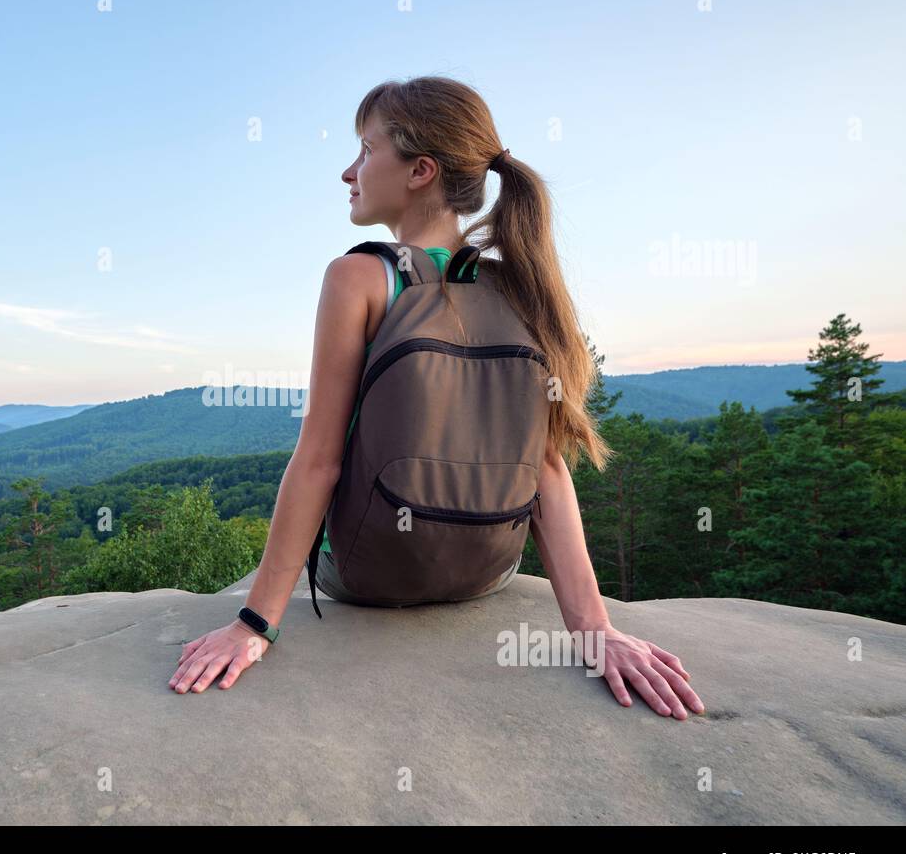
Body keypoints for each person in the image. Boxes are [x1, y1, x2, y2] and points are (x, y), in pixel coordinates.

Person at [169, 76, 705, 720]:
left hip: (369, 577)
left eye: (366, 150)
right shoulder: (520, 285)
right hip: (487, 572)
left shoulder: (359, 277)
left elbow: (320, 459)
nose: (349, 171)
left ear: (420, 169)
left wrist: (254, 624)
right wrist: (596, 631)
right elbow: (547, 471)